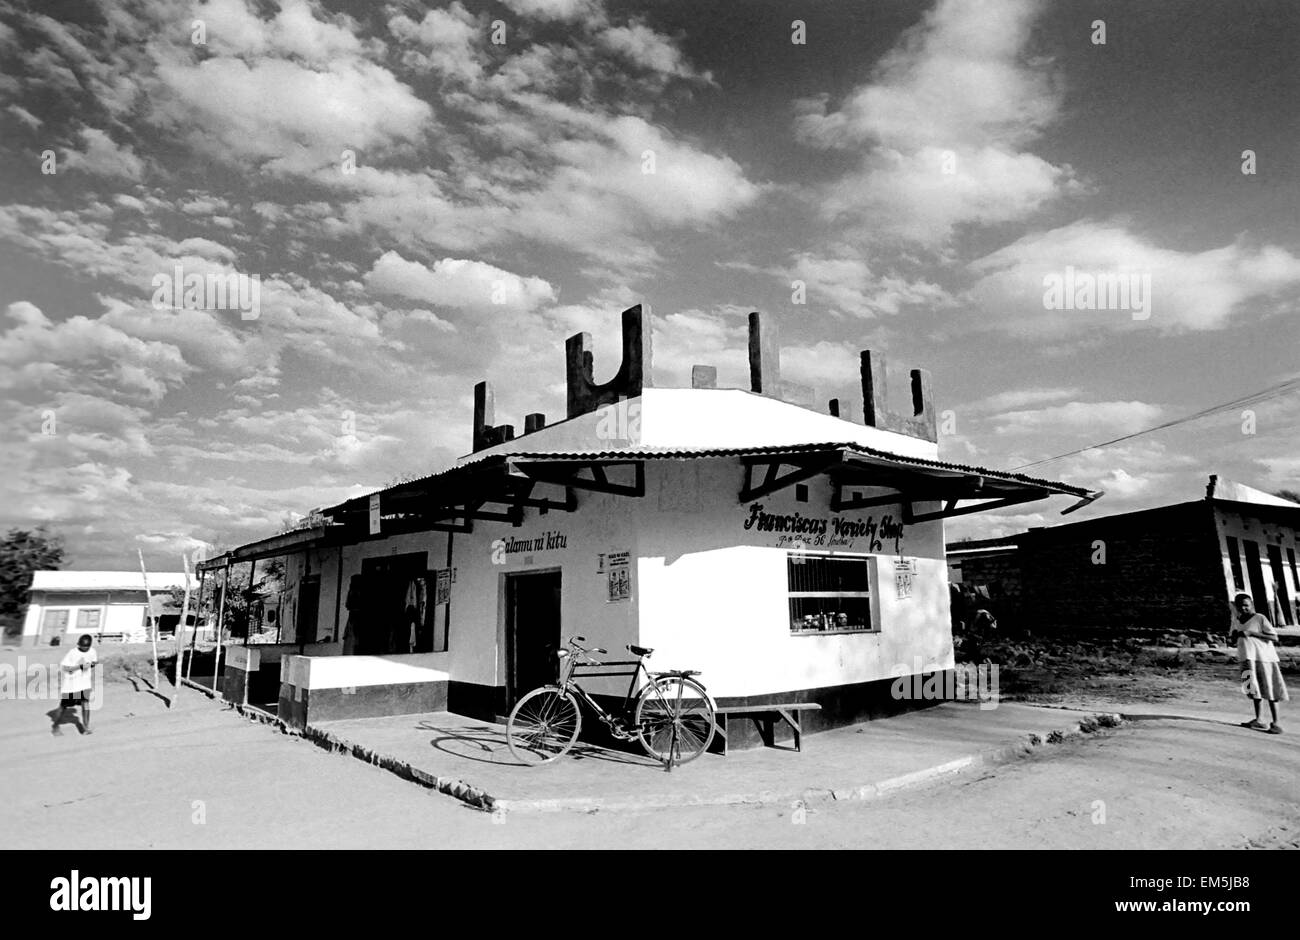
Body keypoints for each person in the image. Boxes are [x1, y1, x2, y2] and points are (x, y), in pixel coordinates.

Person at [1229, 593, 1287, 733]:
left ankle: (1276, 722)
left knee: (1270, 687)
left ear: (1251, 605)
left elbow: (1274, 637)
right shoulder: (1236, 620)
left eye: (1246, 605)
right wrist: (1235, 636)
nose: (1243, 608)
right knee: (1253, 689)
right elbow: (1232, 640)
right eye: (1240, 606)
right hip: (1246, 658)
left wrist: (1252, 634)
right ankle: (1259, 719)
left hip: (1264, 659)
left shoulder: (1260, 618)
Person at [52, 634, 98, 735]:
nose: (84, 649)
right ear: (78, 645)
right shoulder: (72, 653)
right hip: (71, 684)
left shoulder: (92, 651)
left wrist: (91, 665)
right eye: (82, 647)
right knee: (64, 706)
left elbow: (94, 662)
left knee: (85, 704)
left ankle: (86, 728)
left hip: (85, 684)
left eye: (86, 647)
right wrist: (79, 667)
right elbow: (65, 668)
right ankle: (55, 725)